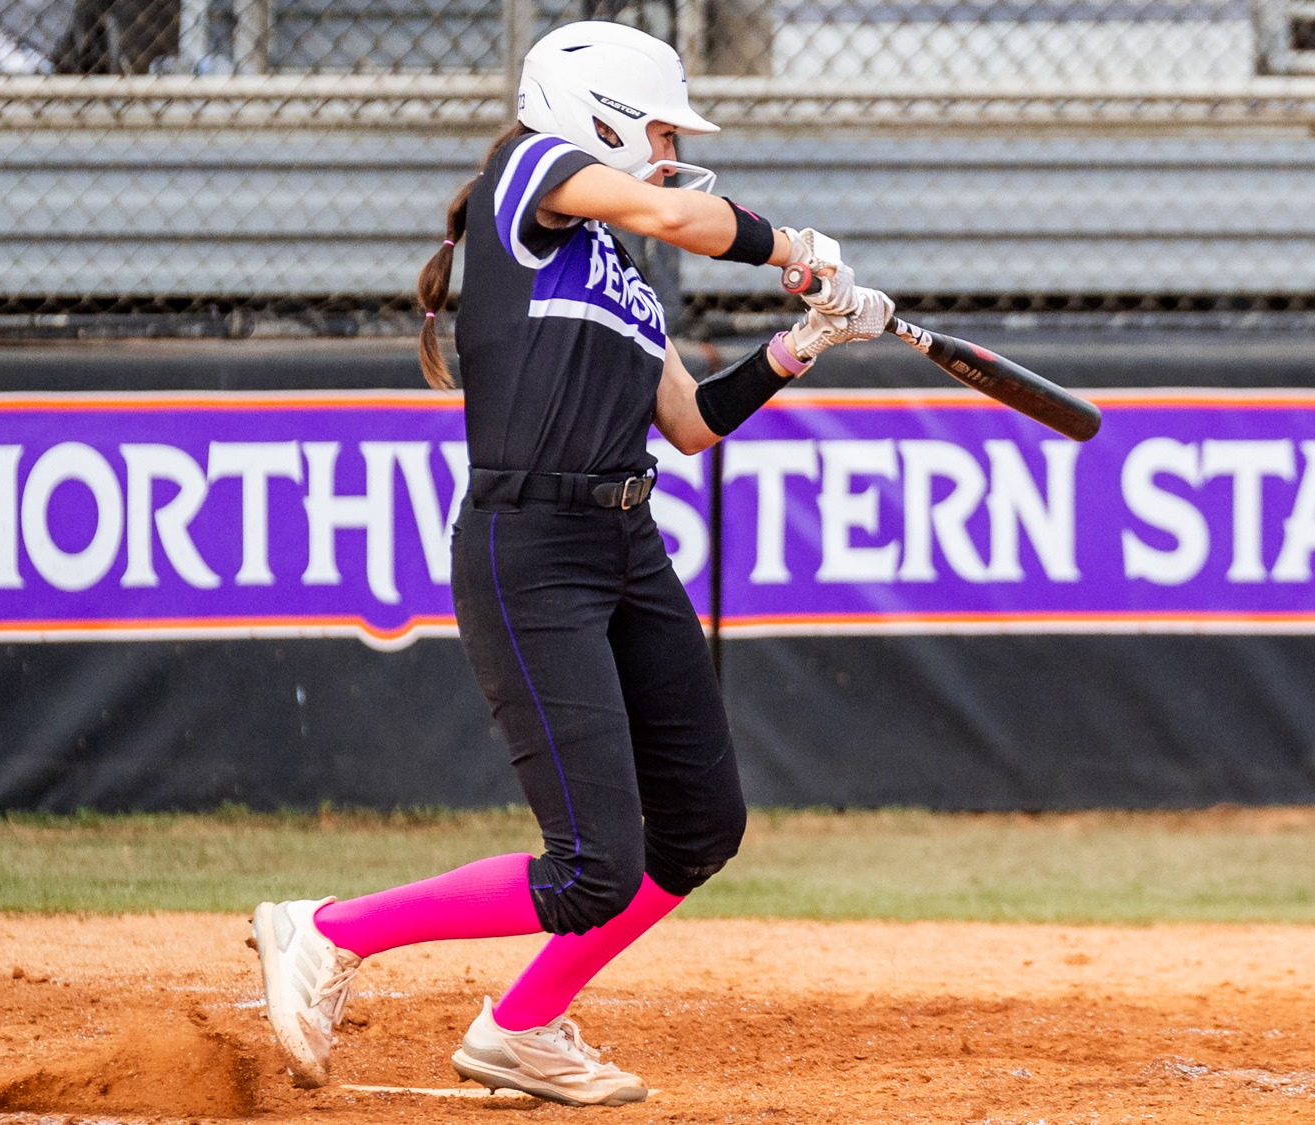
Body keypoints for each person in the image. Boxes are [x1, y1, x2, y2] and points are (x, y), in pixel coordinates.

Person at [247, 20, 893, 1107]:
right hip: (528, 545)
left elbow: (687, 425)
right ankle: (320, 932)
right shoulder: (529, 176)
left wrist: (807, 341)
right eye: (652, 127)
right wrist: (791, 247)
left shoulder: (619, 275)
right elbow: (674, 212)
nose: (665, 149)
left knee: (697, 829)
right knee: (589, 867)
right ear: (590, 111)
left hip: (622, 545)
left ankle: (522, 1028)